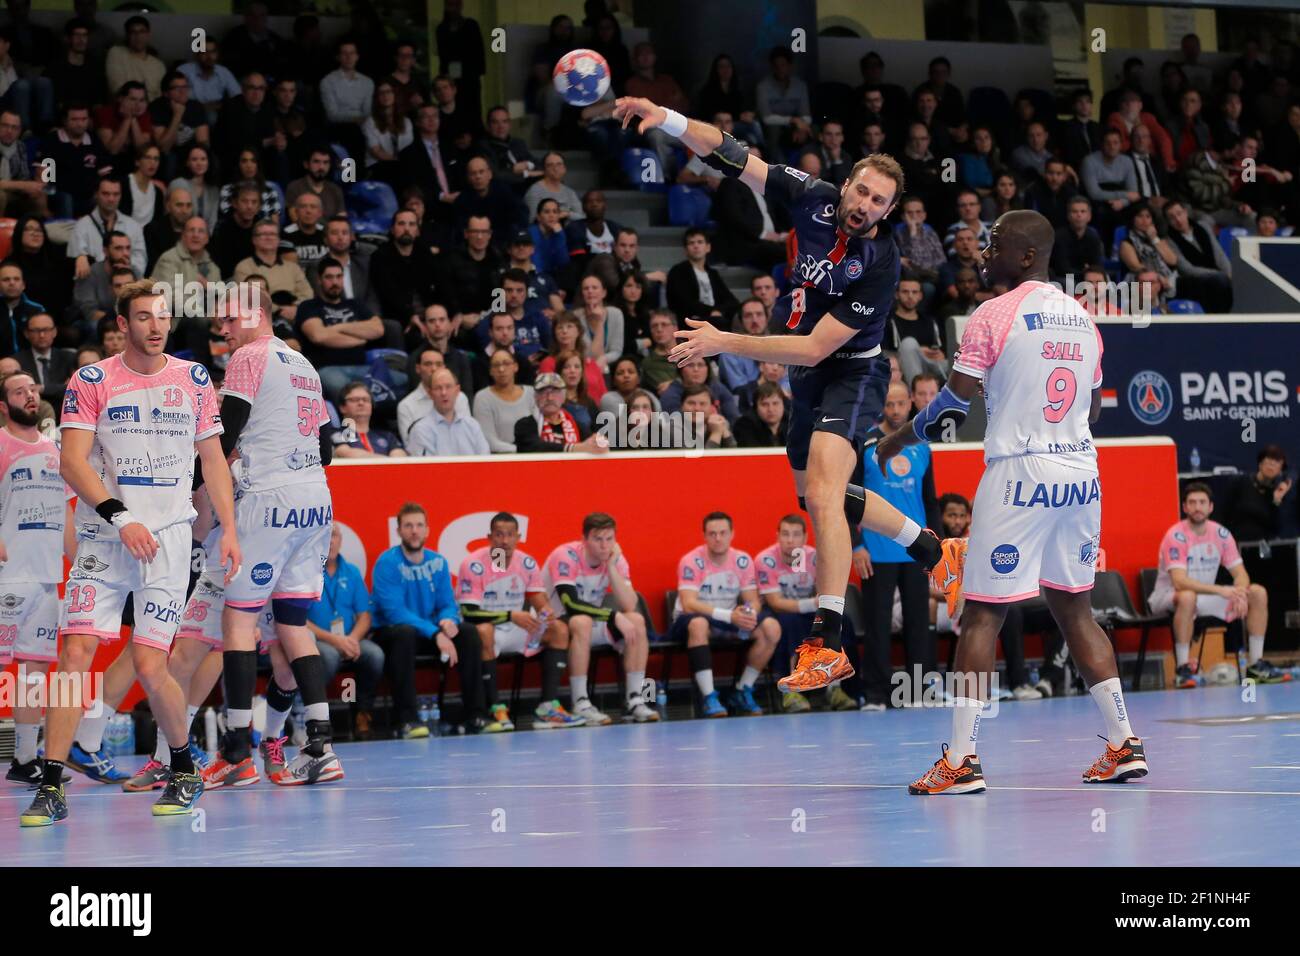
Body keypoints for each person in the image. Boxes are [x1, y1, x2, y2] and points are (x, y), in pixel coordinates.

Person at [618, 93, 943, 697]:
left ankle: (826, 644)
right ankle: (931, 548)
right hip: (808, 379)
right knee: (823, 498)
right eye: (860, 191)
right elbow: (734, 156)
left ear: (889, 209)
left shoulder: (880, 261)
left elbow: (818, 347)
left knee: (822, 493)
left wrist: (723, 340)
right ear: (846, 185)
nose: (863, 205)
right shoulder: (814, 197)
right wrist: (665, 119)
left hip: (853, 376)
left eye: (878, 201)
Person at [876, 209, 1144, 794]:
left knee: (981, 613)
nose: (981, 251)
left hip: (1020, 471)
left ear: (1025, 256)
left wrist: (894, 439)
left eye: (993, 244)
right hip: (1081, 473)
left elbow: (952, 408)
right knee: (1074, 608)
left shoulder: (993, 314)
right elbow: (1094, 411)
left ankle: (962, 761)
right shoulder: (1082, 317)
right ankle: (1125, 745)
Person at [23, 279, 238, 826]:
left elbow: (212, 461)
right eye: (142, 317)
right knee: (75, 655)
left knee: (148, 663)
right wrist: (120, 518)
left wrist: (229, 529)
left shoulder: (192, 378)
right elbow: (72, 461)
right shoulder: (91, 379)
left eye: (162, 316)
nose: (155, 326)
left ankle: (183, 766)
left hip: (167, 539)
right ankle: (50, 783)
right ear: (123, 324)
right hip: (106, 535)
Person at [0, 370, 74, 786]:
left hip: (46, 579)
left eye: (31, 389)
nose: (28, 395)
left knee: (33, 672)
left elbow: (65, 514)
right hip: (7, 576)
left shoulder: (55, 449)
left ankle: (25, 759)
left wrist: (78, 564)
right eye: (17, 391)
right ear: (3, 404)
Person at [1148, 483, 1287, 687]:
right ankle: (1183, 670)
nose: (1197, 507)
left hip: (1203, 596)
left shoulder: (1221, 534)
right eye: (1192, 503)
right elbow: (1179, 581)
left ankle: (1255, 665)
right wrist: (1222, 590)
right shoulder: (1175, 536)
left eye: (1202, 502)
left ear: (1211, 507)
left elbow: (1240, 573)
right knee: (1187, 596)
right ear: (1185, 507)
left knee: (1257, 592)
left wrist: (1239, 594)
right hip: (1167, 596)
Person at [459, 512, 582, 732]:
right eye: (498, 535)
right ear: (489, 537)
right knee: (483, 631)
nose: (504, 541)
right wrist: (510, 615)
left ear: (518, 537)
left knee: (559, 630)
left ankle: (547, 707)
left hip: (517, 629)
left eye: (509, 535)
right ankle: (495, 708)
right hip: (490, 630)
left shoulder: (526, 563)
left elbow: (538, 601)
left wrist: (546, 613)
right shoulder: (473, 564)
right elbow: (470, 613)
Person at [858, 381, 937, 710]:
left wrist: (936, 546)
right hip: (876, 549)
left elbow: (930, 500)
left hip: (914, 547)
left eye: (901, 403)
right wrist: (854, 545)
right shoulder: (864, 443)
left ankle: (918, 692)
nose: (895, 410)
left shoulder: (922, 445)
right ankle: (875, 694)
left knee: (919, 621)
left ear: (910, 404)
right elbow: (847, 497)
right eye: (889, 404)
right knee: (877, 624)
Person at [372, 502, 483, 736]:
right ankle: (407, 720)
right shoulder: (387, 563)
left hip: (431, 631)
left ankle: (476, 715)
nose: (414, 530)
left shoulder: (438, 562)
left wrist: (447, 621)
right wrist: (435, 633)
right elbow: (395, 612)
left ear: (427, 530)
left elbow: (447, 603)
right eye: (408, 526)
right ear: (399, 531)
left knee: (469, 633)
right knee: (404, 633)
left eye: (419, 525)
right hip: (394, 633)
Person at [542, 511, 658, 725]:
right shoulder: (565, 555)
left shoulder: (616, 559)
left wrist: (612, 567)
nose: (605, 546)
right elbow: (572, 605)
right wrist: (614, 616)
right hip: (555, 624)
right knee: (582, 621)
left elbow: (630, 604)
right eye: (598, 539)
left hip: (591, 621)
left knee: (637, 620)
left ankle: (635, 699)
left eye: (609, 539)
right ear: (584, 540)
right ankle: (581, 701)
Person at [670, 512, 782, 717]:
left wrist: (748, 614)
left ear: (732, 534)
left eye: (723, 533)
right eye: (712, 534)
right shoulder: (691, 560)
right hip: (691, 619)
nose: (718, 538)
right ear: (704, 536)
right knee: (698, 625)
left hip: (728, 617)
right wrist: (729, 616)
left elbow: (753, 600)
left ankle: (742, 690)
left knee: (771, 628)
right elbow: (688, 604)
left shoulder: (742, 560)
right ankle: (709, 696)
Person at [755, 514, 854, 713]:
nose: (790, 540)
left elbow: (825, 590)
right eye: (785, 534)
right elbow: (776, 603)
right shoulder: (765, 560)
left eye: (795, 535)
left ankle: (835, 688)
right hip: (778, 613)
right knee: (792, 623)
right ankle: (791, 691)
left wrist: (819, 605)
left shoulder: (815, 557)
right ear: (777, 536)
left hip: (808, 609)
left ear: (805, 537)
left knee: (841, 622)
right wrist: (812, 603)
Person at [306, 523, 384, 740]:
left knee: (374, 655)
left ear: (340, 540)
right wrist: (336, 641)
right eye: (326, 536)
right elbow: (299, 621)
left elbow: (364, 616)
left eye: (335, 536)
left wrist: (351, 640)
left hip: (350, 638)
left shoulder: (352, 572)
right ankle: (318, 718)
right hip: (317, 640)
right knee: (329, 658)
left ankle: (361, 714)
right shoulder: (306, 571)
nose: (330, 541)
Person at [514, 371, 608, 454]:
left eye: (555, 391)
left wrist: (598, 442)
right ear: (535, 397)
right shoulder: (524, 424)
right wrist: (574, 448)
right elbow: (534, 447)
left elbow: (591, 444)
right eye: (543, 392)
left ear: (564, 397)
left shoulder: (577, 425)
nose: (550, 398)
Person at [406, 367, 490, 457]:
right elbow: (425, 469)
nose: (444, 393)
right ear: (430, 394)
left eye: (448, 387)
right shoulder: (420, 430)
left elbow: (485, 462)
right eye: (438, 388)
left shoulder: (472, 426)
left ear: (457, 391)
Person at [665, 227, 738, 324]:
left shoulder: (713, 274)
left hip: (715, 320)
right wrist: (711, 311)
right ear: (685, 250)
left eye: (700, 242)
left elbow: (731, 301)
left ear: (708, 247)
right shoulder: (678, 271)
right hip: (690, 322)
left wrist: (718, 311)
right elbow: (682, 302)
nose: (696, 246)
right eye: (691, 243)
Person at [1222, 445, 1293, 543]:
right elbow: (1224, 514)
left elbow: (1277, 528)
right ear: (1260, 464)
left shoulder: (1278, 492)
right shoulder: (1240, 482)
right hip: (1235, 543)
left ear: (1281, 470)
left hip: (1263, 547)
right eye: (1268, 460)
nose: (1272, 464)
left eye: (1277, 462)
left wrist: (1277, 500)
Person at [472, 350, 537, 453]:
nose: (501, 369)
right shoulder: (482, 398)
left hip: (532, 457)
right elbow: (489, 441)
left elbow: (539, 430)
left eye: (506, 363)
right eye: (496, 365)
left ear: (515, 367)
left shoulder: (532, 393)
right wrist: (521, 451)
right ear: (490, 371)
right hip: (499, 461)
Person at [333, 380, 405, 458]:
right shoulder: (336, 433)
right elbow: (346, 453)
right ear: (342, 407)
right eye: (355, 400)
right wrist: (386, 461)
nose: (361, 403)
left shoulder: (388, 436)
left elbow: (400, 458)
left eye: (366, 400)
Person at [14, 311, 73, 406]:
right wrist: (59, 388)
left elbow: (73, 389)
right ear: (26, 333)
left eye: (46, 330)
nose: (42, 335)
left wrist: (42, 388)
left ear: (54, 332)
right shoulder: (17, 362)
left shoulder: (69, 357)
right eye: (36, 330)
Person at [734, 380, 788, 447]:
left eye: (775, 403)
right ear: (756, 407)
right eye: (764, 404)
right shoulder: (744, 425)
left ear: (783, 405)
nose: (770, 409)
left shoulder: (793, 423)